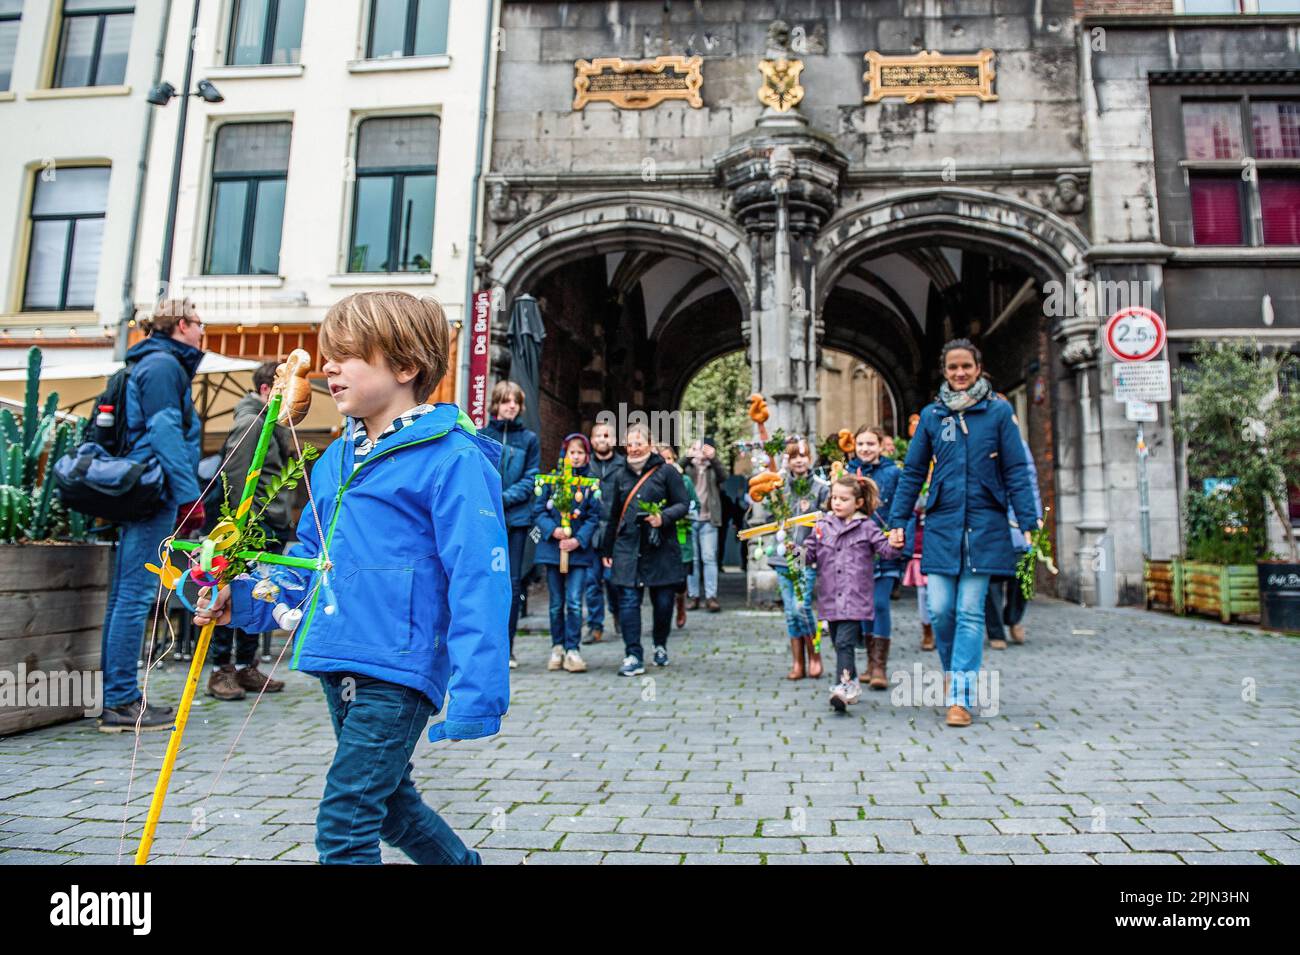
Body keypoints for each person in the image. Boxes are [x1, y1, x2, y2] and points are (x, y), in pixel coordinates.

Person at [194, 290, 509, 865]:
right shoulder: (336, 457)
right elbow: (309, 562)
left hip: (399, 666)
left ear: (406, 367)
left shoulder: (451, 457)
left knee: (345, 825)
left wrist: (478, 692)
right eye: (327, 354)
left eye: (348, 355)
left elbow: (479, 578)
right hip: (338, 656)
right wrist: (239, 600)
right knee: (389, 806)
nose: (329, 368)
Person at [887, 339, 1040, 728]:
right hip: (942, 523)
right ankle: (954, 672)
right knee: (940, 610)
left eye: (966, 367)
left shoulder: (999, 413)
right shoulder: (933, 416)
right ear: (945, 370)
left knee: (970, 611)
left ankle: (961, 696)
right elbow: (913, 472)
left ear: (978, 368)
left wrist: (1028, 520)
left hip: (985, 524)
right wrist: (897, 521)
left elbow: (1016, 472)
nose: (959, 374)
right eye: (953, 367)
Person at [97, 298, 205, 732]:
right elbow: (164, 431)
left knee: (127, 594)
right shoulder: (164, 365)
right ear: (181, 324)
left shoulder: (149, 360)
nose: (202, 332)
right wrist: (188, 495)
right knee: (136, 594)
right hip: (154, 489)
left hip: (144, 486)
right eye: (199, 324)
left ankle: (118, 697)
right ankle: (121, 702)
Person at [207, 360, 292, 701]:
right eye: (285, 391)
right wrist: (244, 524)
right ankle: (220, 671)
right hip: (251, 525)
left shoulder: (272, 424)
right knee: (232, 592)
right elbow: (237, 476)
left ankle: (245, 666)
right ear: (266, 390)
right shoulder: (252, 420)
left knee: (259, 592)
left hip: (269, 521)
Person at [804, 475, 900, 712]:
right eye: (834, 498)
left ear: (857, 503)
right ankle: (853, 682)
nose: (837, 503)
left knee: (845, 642)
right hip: (829, 596)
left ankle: (843, 686)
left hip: (855, 596)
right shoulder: (822, 526)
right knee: (838, 643)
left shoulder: (867, 526)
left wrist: (897, 544)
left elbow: (886, 551)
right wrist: (792, 552)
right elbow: (808, 555)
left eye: (843, 499)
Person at [601, 424, 690, 676]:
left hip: (659, 545)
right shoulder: (620, 474)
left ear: (650, 444)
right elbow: (613, 515)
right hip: (628, 547)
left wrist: (663, 517)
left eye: (639, 442)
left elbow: (683, 504)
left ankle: (659, 643)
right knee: (628, 601)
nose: (634, 447)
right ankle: (633, 654)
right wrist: (606, 550)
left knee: (663, 602)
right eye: (630, 443)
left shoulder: (667, 472)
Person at [748, 437, 826, 680]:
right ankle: (797, 662)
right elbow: (769, 510)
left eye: (803, 456)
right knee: (790, 612)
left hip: (806, 554)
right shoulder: (780, 486)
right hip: (784, 555)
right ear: (788, 461)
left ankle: (815, 654)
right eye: (794, 457)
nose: (799, 460)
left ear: (810, 459)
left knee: (801, 606)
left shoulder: (821, 488)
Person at [482, 380, 540, 669]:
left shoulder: (529, 439)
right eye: (506, 401)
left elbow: (531, 478)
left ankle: (507, 647)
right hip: (485, 521)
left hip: (516, 520)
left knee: (512, 583)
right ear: (496, 403)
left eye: (515, 401)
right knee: (484, 582)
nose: (511, 406)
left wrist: (502, 498)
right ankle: (484, 647)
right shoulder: (482, 435)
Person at [533, 433, 599, 673]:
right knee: (556, 603)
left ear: (586, 456)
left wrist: (578, 539)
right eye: (572, 452)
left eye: (581, 452)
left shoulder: (591, 485)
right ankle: (557, 647)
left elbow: (594, 517)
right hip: (553, 551)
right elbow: (539, 511)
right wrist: (555, 531)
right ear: (565, 454)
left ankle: (573, 648)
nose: (576, 456)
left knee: (573, 602)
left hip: (578, 553)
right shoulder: (551, 481)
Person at [846, 425, 902, 689]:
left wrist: (899, 539)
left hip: (885, 547)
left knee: (880, 603)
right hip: (857, 550)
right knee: (864, 607)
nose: (865, 449)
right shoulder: (848, 474)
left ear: (881, 446)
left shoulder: (893, 473)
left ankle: (879, 666)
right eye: (861, 444)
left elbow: (903, 508)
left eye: (871, 444)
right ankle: (869, 663)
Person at [986, 413, 1042, 650]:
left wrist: (1034, 516)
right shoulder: (981, 446)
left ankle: (1014, 618)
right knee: (990, 580)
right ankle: (996, 630)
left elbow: (1029, 482)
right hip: (990, 519)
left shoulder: (1021, 448)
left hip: (1017, 518)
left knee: (1022, 575)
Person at [583, 421, 624, 643]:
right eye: (598, 436)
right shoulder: (586, 467)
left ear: (614, 440)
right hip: (591, 531)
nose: (602, 440)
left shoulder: (623, 465)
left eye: (607, 436)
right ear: (592, 440)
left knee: (612, 580)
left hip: (613, 532)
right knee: (592, 581)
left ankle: (617, 612)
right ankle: (595, 625)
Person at [657, 443, 699, 629]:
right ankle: (662, 617)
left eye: (670, 459)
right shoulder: (651, 482)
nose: (667, 463)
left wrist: (683, 511)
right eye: (663, 459)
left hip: (681, 536)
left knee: (681, 579)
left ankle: (681, 602)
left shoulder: (685, 481)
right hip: (658, 537)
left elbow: (695, 504)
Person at [683, 437, 727, 612]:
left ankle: (711, 597)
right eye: (698, 449)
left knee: (709, 558)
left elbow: (724, 476)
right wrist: (688, 457)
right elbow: (675, 470)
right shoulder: (688, 468)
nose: (700, 453)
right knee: (692, 560)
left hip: (709, 519)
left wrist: (713, 458)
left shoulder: (712, 468)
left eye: (703, 449)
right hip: (689, 518)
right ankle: (693, 596)